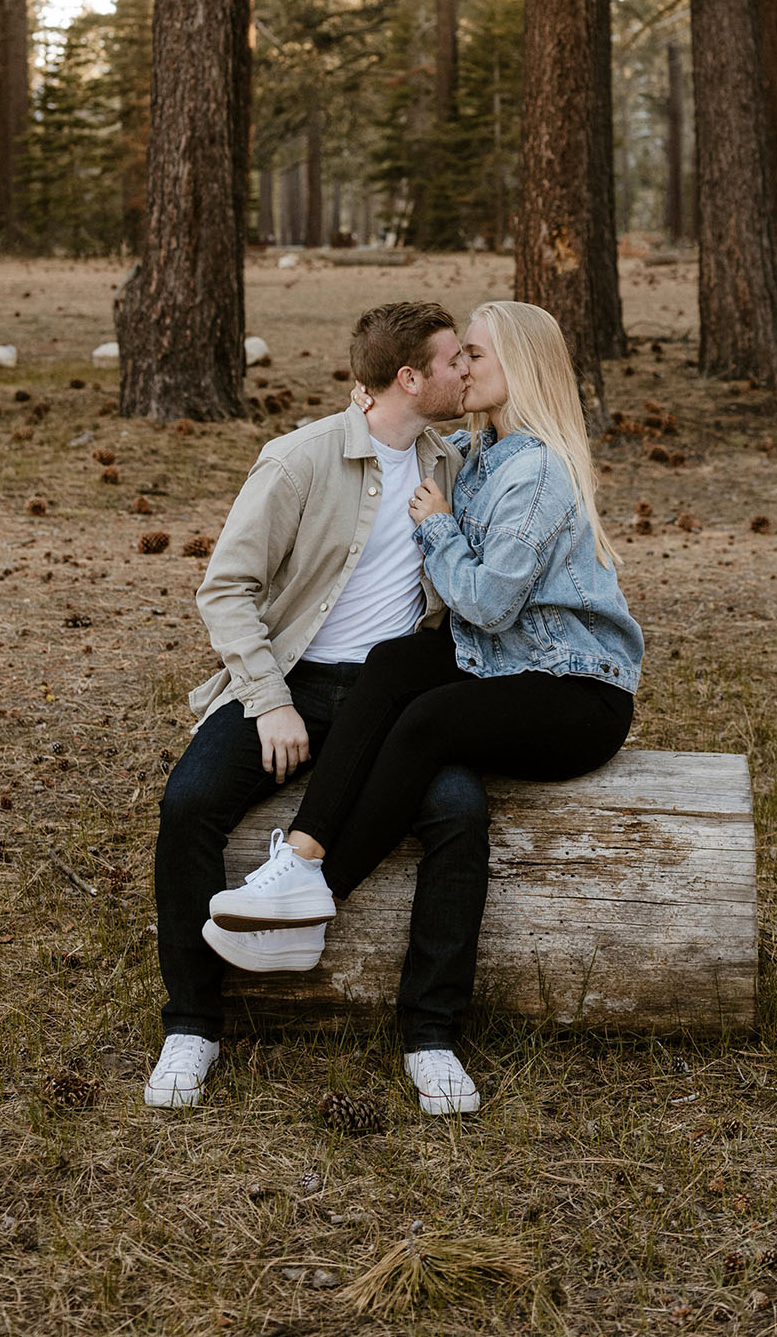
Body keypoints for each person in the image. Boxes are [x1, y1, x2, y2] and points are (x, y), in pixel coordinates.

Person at [209, 300, 642, 1024]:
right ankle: (300, 858)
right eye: (458, 354)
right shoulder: (480, 452)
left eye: (475, 354)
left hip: (575, 691)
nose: (461, 367)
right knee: (393, 663)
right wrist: (375, 395)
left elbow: (487, 604)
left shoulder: (537, 471)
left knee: (427, 720)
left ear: (519, 369)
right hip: (507, 663)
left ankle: (317, 893)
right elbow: (403, 430)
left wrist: (438, 527)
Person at [143, 300, 493, 1118]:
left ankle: (431, 1033)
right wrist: (268, 701)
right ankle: (191, 1023)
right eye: (453, 361)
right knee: (188, 803)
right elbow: (225, 588)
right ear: (407, 378)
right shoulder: (297, 460)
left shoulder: (453, 463)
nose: (465, 372)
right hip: (293, 680)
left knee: (458, 812)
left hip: (397, 697)